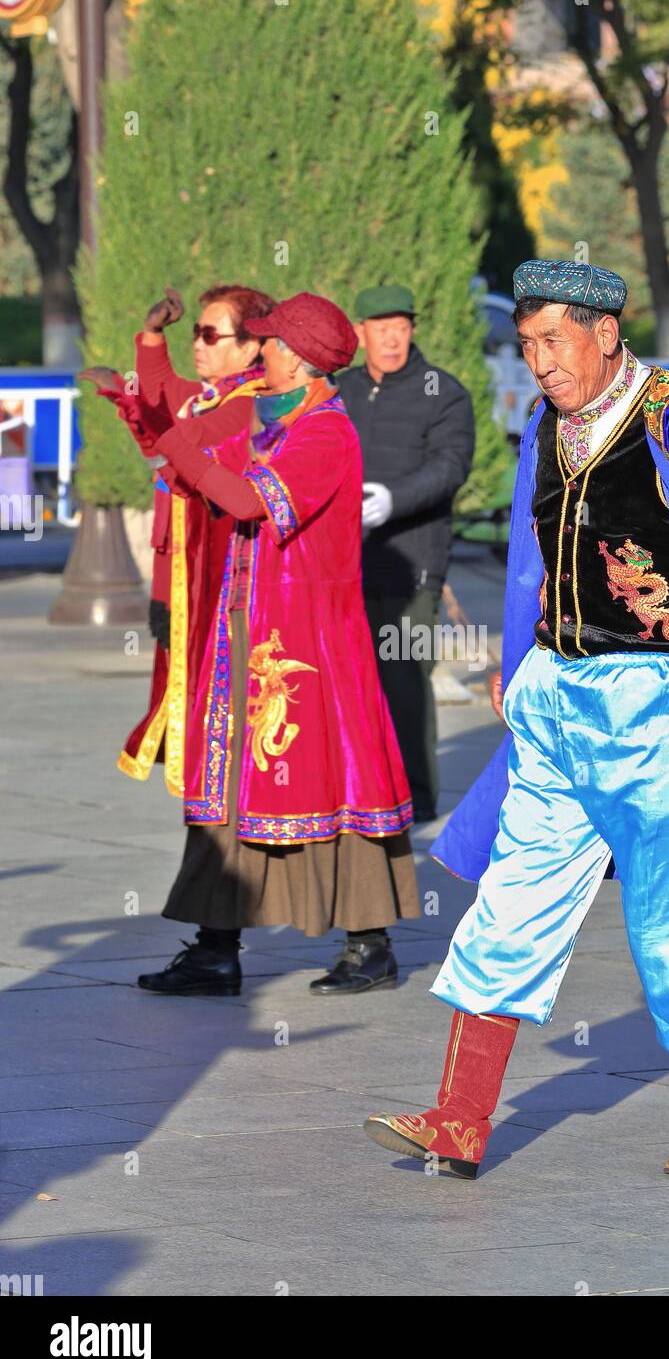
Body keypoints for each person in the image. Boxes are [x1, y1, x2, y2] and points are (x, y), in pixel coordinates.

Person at [365, 259, 669, 1180]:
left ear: (606, 333)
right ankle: (459, 1119)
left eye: (555, 341)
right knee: (512, 900)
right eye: (528, 343)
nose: (539, 362)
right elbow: (532, 558)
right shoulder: (546, 426)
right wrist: (520, 658)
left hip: (664, 700)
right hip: (562, 697)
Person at [109, 292, 419, 997]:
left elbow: (246, 500)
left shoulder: (324, 433)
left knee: (336, 783)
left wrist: (175, 441)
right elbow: (202, 467)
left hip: (308, 643)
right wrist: (157, 420)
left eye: (271, 344)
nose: (261, 353)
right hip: (248, 632)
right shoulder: (277, 424)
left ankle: (369, 944)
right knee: (223, 787)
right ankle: (215, 949)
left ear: (302, 362)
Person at [81, 283, 276, 795]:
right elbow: (163, 394)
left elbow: (177, 441)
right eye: (196, 331)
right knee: (177, 664)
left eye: (211, 334)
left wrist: (131, 408)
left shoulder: (245, 405)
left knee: (204, 679)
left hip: (215, 570)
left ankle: (213, 789)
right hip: (183, 560)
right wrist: (150, 336)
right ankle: (201, 783)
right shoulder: (213, 397)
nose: (199, 343)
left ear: (251, 346)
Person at [338, 285, 475, 822]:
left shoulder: (442, 392)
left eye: (401, 326)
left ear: (412, 329)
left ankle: (416, 798)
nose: (392, 337)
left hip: (413, 564)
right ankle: (359, 788)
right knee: (349, 679)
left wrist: (393, 500)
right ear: (361, 333)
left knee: (404, 676)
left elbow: (450, 466)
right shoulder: (339, 389)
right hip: (344, 564)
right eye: (380, 327)